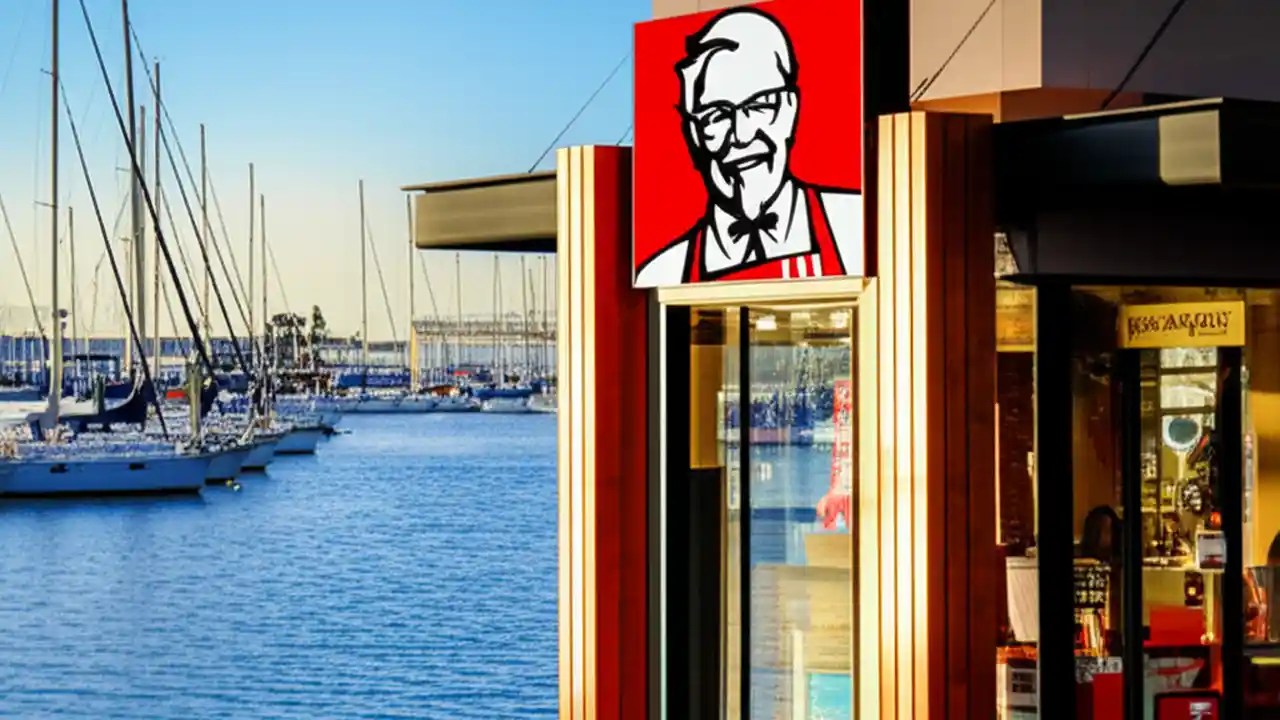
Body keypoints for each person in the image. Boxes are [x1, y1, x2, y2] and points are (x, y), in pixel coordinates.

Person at [634, 7, 862, 287]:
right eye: (717, 115)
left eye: (759, 105)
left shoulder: (856, 227)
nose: (741, 135)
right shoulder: (663, 274)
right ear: (694, 133)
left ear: (790, 109)